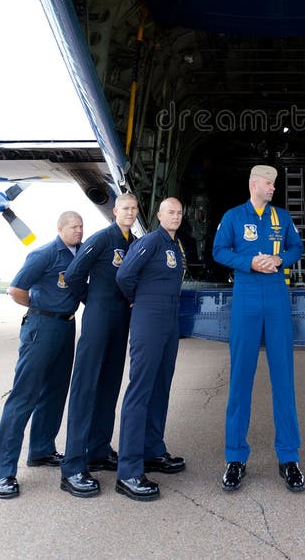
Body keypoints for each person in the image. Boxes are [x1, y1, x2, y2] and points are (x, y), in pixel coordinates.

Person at [213, 165, 305, 493]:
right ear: (254, 184)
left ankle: (289, 457)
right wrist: (249, 262)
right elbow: (219, 250)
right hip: (246, 299)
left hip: (277, 299)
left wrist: (280, 260)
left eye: (274, 184)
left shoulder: (282, 217)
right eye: (269, 183)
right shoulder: (234, 216)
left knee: (284, 379)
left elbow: (296, 248)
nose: (273, 188)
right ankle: (235, 457)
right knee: (240, 379)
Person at [0, 211, 84, 499]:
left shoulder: (81, 254)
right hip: (41, 326)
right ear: (60, 228)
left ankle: (41, 450)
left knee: (55, 392)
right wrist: (41, 305)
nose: (79, 231)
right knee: (24, 396)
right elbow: (16, 289)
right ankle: (2, 473)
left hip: (66, 327)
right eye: (73, 226)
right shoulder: (44, 254)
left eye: (81, 226)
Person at [60, 193, 139, 497]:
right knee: (85, 388)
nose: (130, 212)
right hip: (97, 320)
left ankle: (99, 450)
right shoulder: (102, 239)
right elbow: (74, 274)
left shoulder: (134, 243)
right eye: (125, 208)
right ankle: (72, 466)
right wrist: (92, 301)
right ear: (115, 211)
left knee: (109, 385)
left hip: (121, 322)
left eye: (134, 208)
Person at [114, 197, 187, 501]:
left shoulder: (174, 245)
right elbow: (124, 275)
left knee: (160, 386)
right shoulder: (151, 241)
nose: (176, 216)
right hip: (150, 317)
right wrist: (139, 300)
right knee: (141, 389)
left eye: (179, 213)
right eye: (170, 212)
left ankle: (153, 451)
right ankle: (129, 471)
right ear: (159, 215)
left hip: (169, 320)